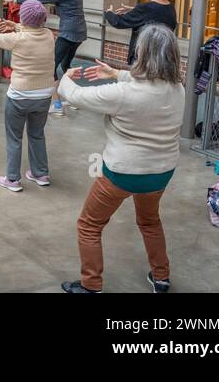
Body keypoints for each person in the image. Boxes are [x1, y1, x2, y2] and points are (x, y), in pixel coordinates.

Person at [58, 24, 184, 294]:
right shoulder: (178, 90)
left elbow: (75, 96)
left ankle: (90, 285)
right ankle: (161, 277)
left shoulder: (122, 95)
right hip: (161, 172)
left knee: (89, 225)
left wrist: (66, 74)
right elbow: (149, 85)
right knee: (150, 221)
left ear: (142, 54)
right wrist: (116, 73)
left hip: (121, 173)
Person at [0, 0, 56, 192]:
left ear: (23, 19)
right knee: (37, 134)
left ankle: (13, 179)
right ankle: (40, 173)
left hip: (19, 96)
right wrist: (15, 25)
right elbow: (33, 30)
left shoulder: (17, 39)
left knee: (14, 138)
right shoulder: (49, 36)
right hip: (44, 96)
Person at [17, 0, 85, 115]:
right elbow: (52, 0)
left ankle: (57, 105)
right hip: (80, 33)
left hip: (68, 33)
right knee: (66, 65)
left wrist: (18, 0)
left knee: (51, 66)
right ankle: (74, 99)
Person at [104, 0, 178, 66]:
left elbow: (118, 22)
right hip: (162, 57)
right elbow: (155, 14)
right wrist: (135, 9)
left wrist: (109, 13)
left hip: (143, 58)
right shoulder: (170, 8)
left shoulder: (145, 8)